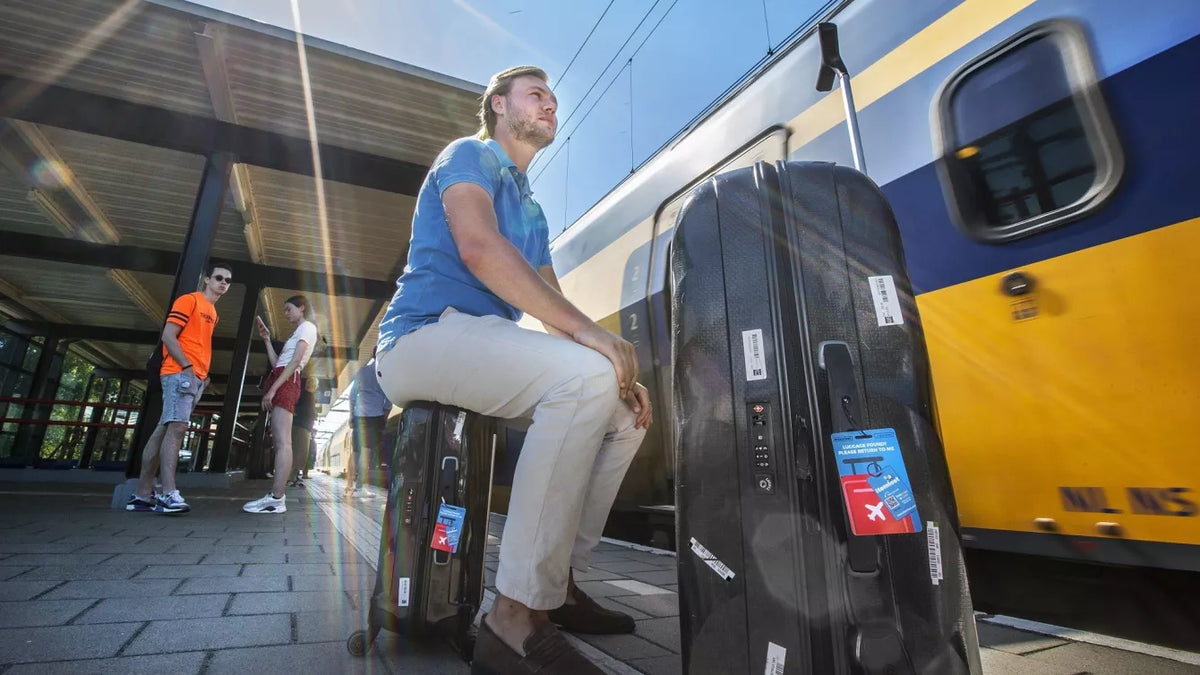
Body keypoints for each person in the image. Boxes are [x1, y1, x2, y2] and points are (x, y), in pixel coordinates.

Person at [374, 66, 651, 674]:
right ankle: (514, 618)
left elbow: (550, 307)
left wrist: (605, 356)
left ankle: (556, 582)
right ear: (499, 105)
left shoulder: (533, 209)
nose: (551, 103)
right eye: (536, 94)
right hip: (423, 335)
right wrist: (592, 339)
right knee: (581, 377)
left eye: (554, 97)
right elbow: (476, 246)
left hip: (479, 338)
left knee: (622, 413)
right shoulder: (470, 154)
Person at [126, 262, 232, 515]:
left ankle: (142, 494)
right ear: (207, 279)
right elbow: (168, 336)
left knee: (164, 429)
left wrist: (203, 376)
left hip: (194, 376)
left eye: (228, 280)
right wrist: (186, 366)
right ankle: (167, 493)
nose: (223, 283)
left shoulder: (213, 313)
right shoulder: (190, 301)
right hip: (179, 373)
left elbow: (200, 343)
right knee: (177, 428)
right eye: (218, 278)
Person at [243, 295, 318, 514]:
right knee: (279, 440)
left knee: (283, 442)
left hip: (286, 382)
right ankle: (275, 496)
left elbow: (295, 363)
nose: (286, 314)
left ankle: (277, 497)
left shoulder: (307, 328)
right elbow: (278, 363)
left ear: (301, 308)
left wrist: (274, 389)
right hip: (282, 378)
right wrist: (267, 340)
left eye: (288, 309)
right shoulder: (299, 331)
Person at [346, 348, 392, 496]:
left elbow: (352, 395)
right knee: (366, 453)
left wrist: (352, 414)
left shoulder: (362, 371)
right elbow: (388, 402)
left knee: (355, 453)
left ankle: (348, 487)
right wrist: (384, 418)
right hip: (375, 416)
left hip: (359, 415)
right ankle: (359, 488)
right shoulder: (385, 374)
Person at [288, 368, 318, 488]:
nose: (313, 385)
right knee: (299, 452)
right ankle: (292, 478)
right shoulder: (305, 395)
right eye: (312, 383)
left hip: (302, 426)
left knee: (299, 453)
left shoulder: (307, 395)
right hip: (301, 427)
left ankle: (294, 478)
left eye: (314, 384)